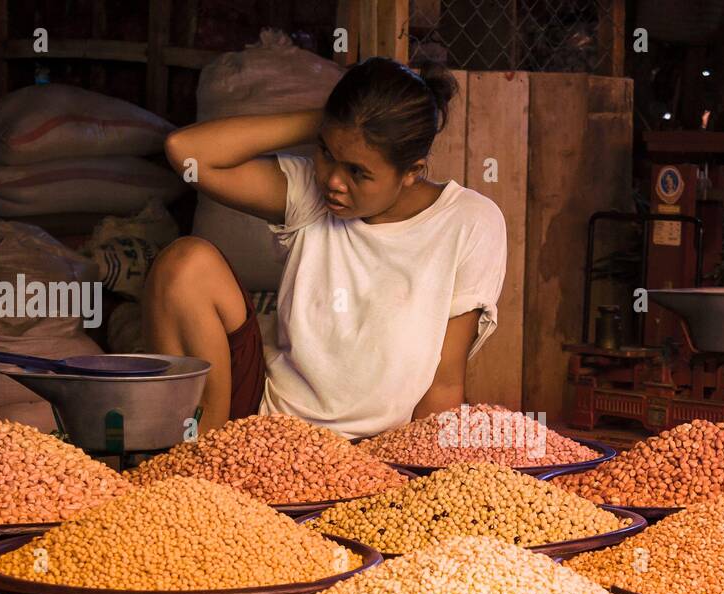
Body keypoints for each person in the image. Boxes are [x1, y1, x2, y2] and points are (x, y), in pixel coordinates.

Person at [145, 57, 508, 437]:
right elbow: (185, 149)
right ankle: (198, 458)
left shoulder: (470, 222)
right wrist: (337, 119)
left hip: (375, 449)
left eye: (357, 171)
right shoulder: (309, 191)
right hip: (269, 425)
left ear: (412, 171)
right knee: (183, 264)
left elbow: (445, 380)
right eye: (326, 153)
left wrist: (420, 476)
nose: (333, 180)